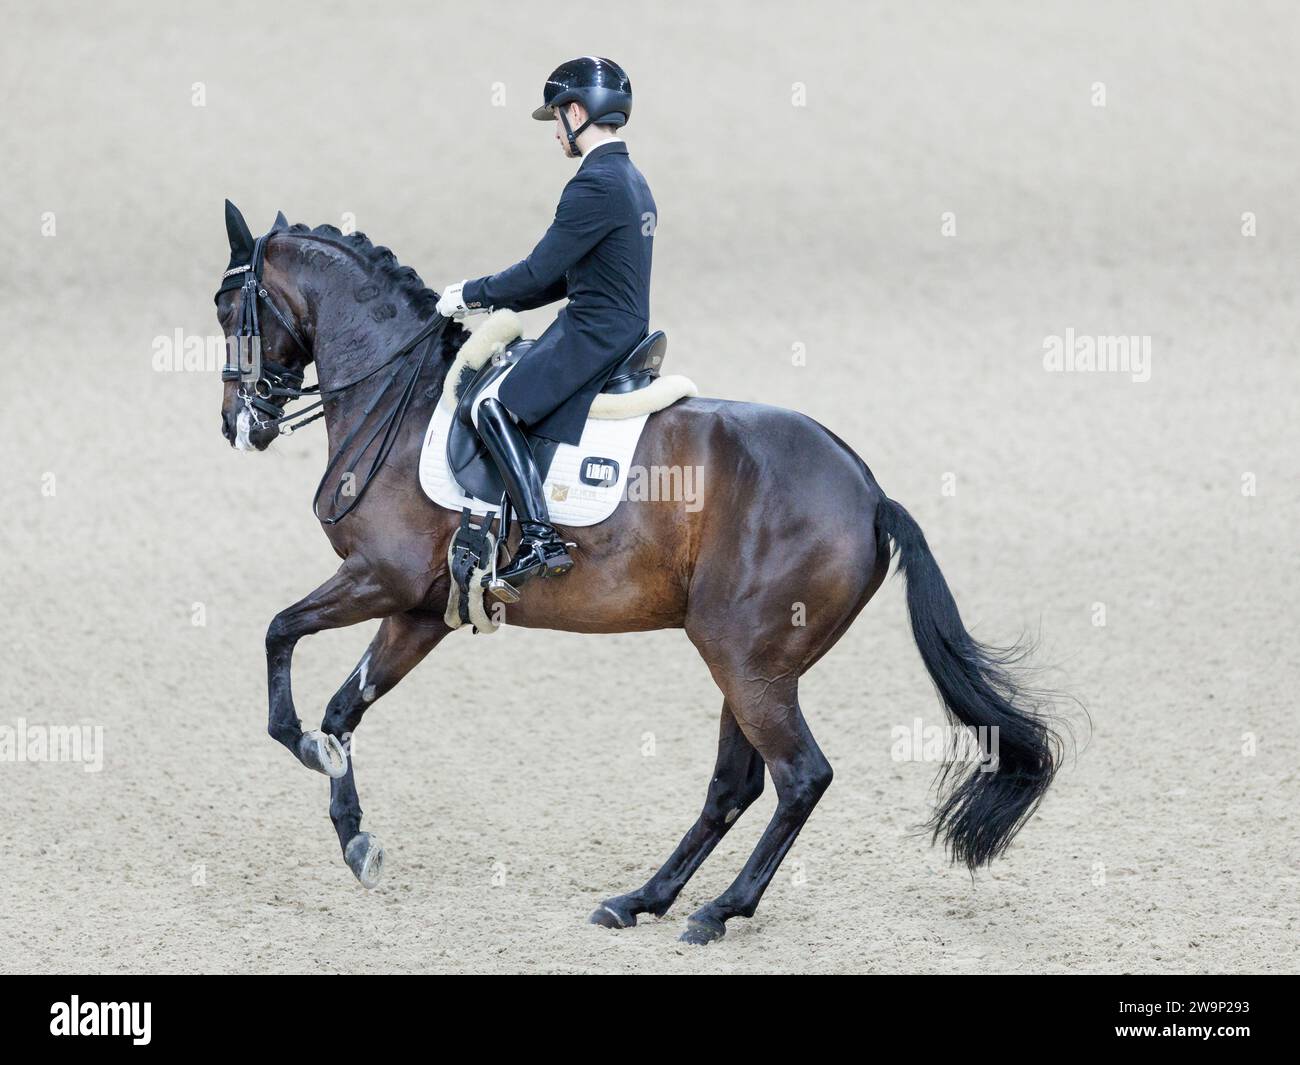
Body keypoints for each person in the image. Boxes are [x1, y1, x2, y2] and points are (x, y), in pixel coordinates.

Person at [437, 57, 656, 589]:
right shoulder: (630, 178)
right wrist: (487, 304)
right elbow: (557, 280)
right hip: (612, 321)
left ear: (576, 113)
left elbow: (537, 269)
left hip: (594, 330)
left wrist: (468, 291)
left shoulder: (593, 184)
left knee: (493, 407)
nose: (556, 132)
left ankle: (539, 537)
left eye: (558, 118)